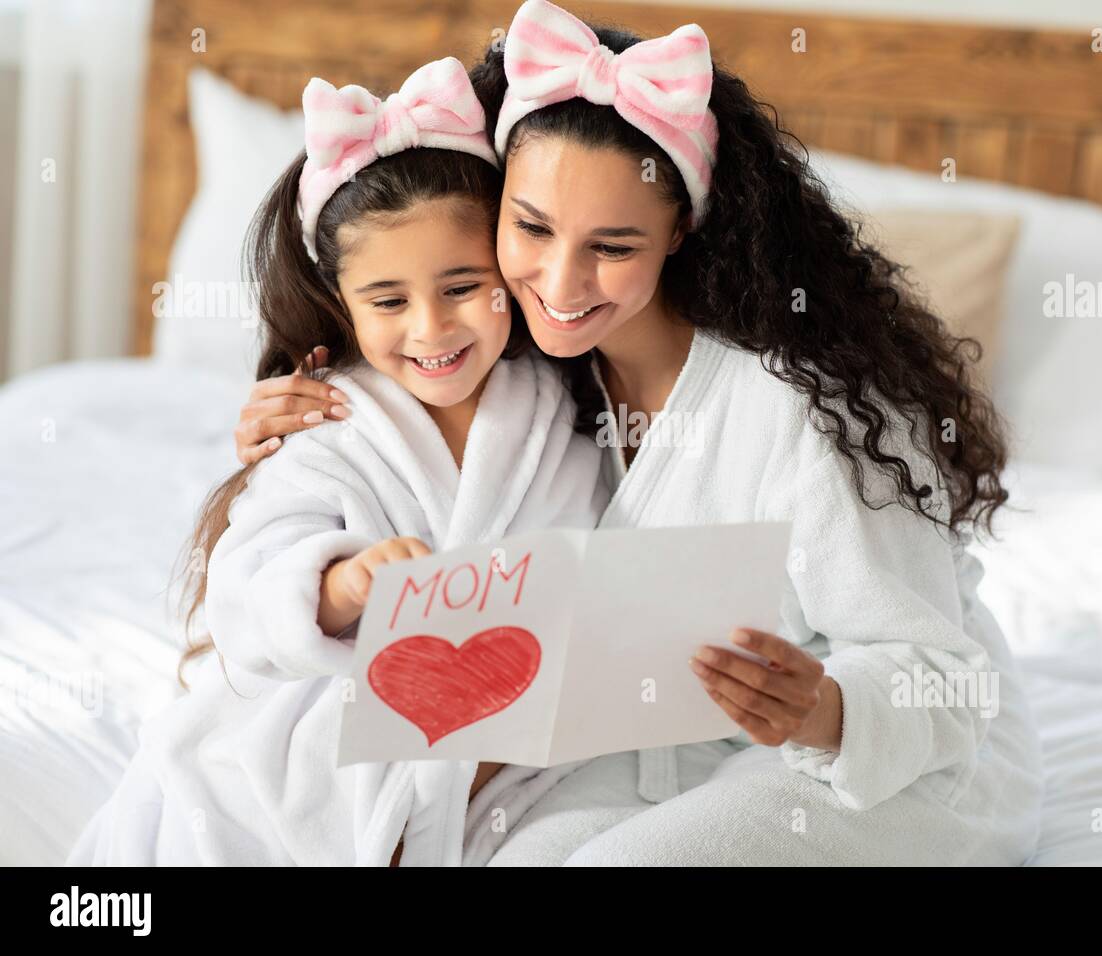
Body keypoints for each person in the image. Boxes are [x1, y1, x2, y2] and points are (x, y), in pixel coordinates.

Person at [231, 0, 1045, 866]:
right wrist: (299, 402)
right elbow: (408, 327)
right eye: (532, 228)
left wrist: (823, 709)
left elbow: (946, 681)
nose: (560, 280)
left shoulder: (808, 410)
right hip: (669, 753)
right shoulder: (538, 374)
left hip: (885, 764)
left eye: (613, 246)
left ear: (679, 230)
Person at [66, 57, 607, 866]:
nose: (431, 329)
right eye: (389, 301)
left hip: (502, 744)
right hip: (329, 733)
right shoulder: (327, 418)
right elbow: (249, 583)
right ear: (342, 305)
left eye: (463, 286)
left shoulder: (561, 413)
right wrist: (339, 585)